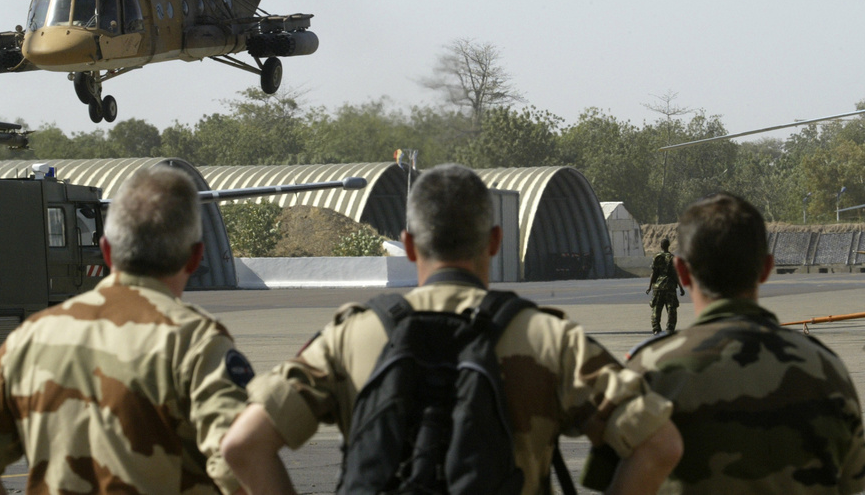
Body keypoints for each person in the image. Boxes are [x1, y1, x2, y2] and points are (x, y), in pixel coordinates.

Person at [221, 163, 683, 495]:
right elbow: (660, 445)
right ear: (496, 241)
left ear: (407, 244)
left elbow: (243, 446)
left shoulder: (351, 336)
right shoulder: (548, 339)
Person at [0, 166, 260, 495]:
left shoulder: (35, 337)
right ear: (195, 257)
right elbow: (241, 458)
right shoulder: (196, 344)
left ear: (107, 251)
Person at [627, 192, 865, 494]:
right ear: (766, 269)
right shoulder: (826, 369)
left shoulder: (648, 372)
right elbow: (852, 481)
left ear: (684, 273)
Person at [646, 237, 684, 333]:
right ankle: (670, 328)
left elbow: (654, 274)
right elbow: (675, 274)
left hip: (658, 287)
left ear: (661, 246)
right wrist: (681, 287)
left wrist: (650, 287)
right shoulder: (673, 258)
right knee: (671, 309)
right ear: (669, 245)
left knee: (656, 309)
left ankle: (656, 329)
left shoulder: (657, 257)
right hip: (670, 286)